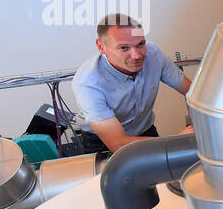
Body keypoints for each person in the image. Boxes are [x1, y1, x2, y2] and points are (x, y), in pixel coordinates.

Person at [71, 14, 192, 154]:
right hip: (102, 142)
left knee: (161, 172)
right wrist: (176, 140)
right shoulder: (88, 83)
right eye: (124, 48)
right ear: (101, 46)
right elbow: (118, 144)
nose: (136, 55)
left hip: (144, 129)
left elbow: (194, 91)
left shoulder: (154, 54)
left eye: (140, 44)